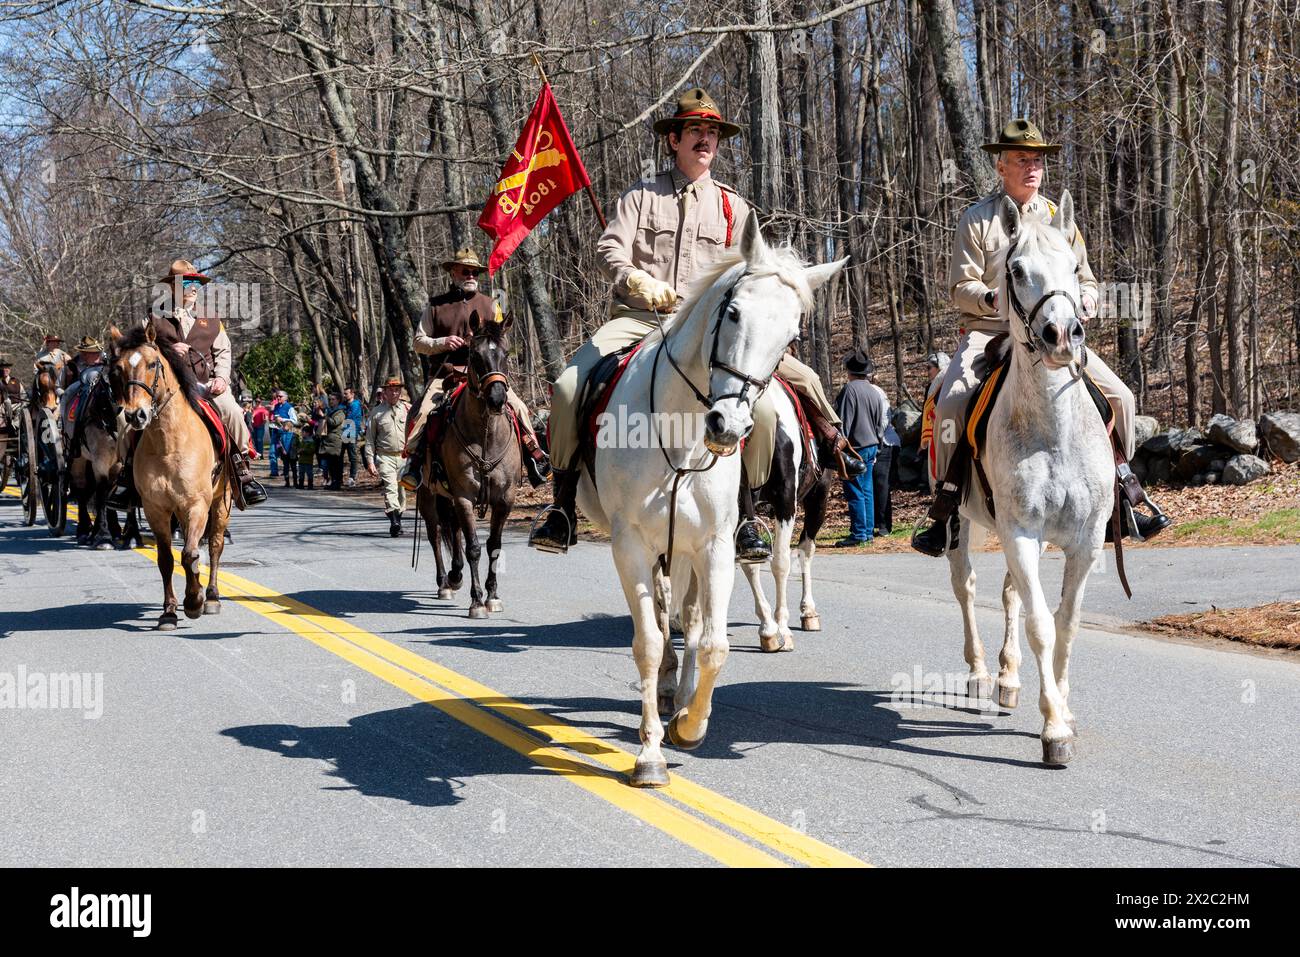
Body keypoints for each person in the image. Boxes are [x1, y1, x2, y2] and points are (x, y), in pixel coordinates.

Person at [529, 88, 865, 557]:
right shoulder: (642, 196)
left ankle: (748, 515)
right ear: (674, 140)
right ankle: (561, 505)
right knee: (567, 387)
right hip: (640, 319)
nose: (705, 139)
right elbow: (609, 249)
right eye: (695, 131)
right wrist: (635, 279)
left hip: (711, 335)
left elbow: (754, 276)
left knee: (766, 410)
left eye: (712, 133)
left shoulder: (736, 210)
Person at [911, 119, 1171, 556]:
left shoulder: (1058, 219)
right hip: (989, 329)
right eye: (1021, 160)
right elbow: (959, 286)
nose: (1032, 168)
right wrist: (993, 298)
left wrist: (1087, 299)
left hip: (1051, 331)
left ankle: (1120, 500)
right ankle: (946, 502)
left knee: (1123, 398)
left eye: (1037, 161)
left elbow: (1085, 277)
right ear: (1001, 165)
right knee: (953, 401)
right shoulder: (977, 219)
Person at [400, 248, 550, 490]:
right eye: (465, 271)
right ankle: (414, 465)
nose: (471, 276)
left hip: (486, 375)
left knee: (519, 407)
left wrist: (485, 341)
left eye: (475, 272)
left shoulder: (491, 305)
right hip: (446, 376)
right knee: (424, 413)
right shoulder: (436, 306)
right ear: (453, 272)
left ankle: (534, 459)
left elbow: (502, 339)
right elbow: (418, 341)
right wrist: (442, 343)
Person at [151, 259, 266, 507]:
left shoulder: (211, 317)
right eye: (188, 283)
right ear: (172, 287)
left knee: (234, 412)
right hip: (169, 390)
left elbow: (223, 351)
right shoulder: (155, 317)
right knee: (133, 422)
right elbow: (144, 350)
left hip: (205, 385)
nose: (194, 288)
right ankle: (127, 477)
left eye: (197, 283)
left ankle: (243, 471)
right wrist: (168, 348)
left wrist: (222, 378)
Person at [833, 349, 888, 546]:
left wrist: (839, 447)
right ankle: (867, 532)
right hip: (872, 444)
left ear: (850, 371)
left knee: (854, 490)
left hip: (854, 447)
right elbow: (879, 422)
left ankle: (858, 533)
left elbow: (844, 423)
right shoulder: (874, 391)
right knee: (866, 490)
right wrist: (878, 443)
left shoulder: (850, 390)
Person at [365, 376, 410, 537]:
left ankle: (398, 519)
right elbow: (369, 439)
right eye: (391, 390)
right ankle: (394, 522)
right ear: (384, 392)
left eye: (397, 390)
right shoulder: (376, 413)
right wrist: (370, 461)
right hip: (385, 457)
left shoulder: (407, 409)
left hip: (404, 457)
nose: (394, 393)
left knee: (401, 491)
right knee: (390, 487)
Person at [868, 367, 899, 536]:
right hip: (874, 442)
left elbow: (885, 419)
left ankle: (884, 525)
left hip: (885, 443)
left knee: (881, 485)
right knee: (875, 485)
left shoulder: (877, 392)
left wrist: (876, 440)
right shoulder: (868, 390)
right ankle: (876, 524)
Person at [318, 390, 346, 490]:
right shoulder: (329, 411)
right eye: (329, 399)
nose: (331, 401)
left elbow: (334, 422)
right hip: (327, 440)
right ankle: (332, 481)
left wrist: (324, 416)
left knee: (336, 464)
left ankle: (337, 483)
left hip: (335, 441)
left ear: (338, 400)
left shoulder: (340, 412)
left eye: (333, 399)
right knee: (330, 464)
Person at [342, 386, 363, 486]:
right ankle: (339, 477)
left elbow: (349, 417)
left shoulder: (355, 405)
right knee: (340, 455)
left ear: (352, 394)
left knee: (352, 456)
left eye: (346, 393)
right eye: (344, 394)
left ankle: (352, 477)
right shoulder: (344, 404)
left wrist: (343, 415)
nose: (345, 395)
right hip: (344, 431)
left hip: (351, 431)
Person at [297, 423, 317, 489]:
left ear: (308, 433)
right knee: (301, 473)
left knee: (309, 473)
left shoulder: (311, 442)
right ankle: (301, 484)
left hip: (308, 461)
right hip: (301, 460)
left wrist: (304, 450)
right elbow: (299, 448)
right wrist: (299, 450)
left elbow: (312, 450)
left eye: (303, 432)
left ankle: (310, 485)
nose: (302, 433)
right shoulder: (302, 441)